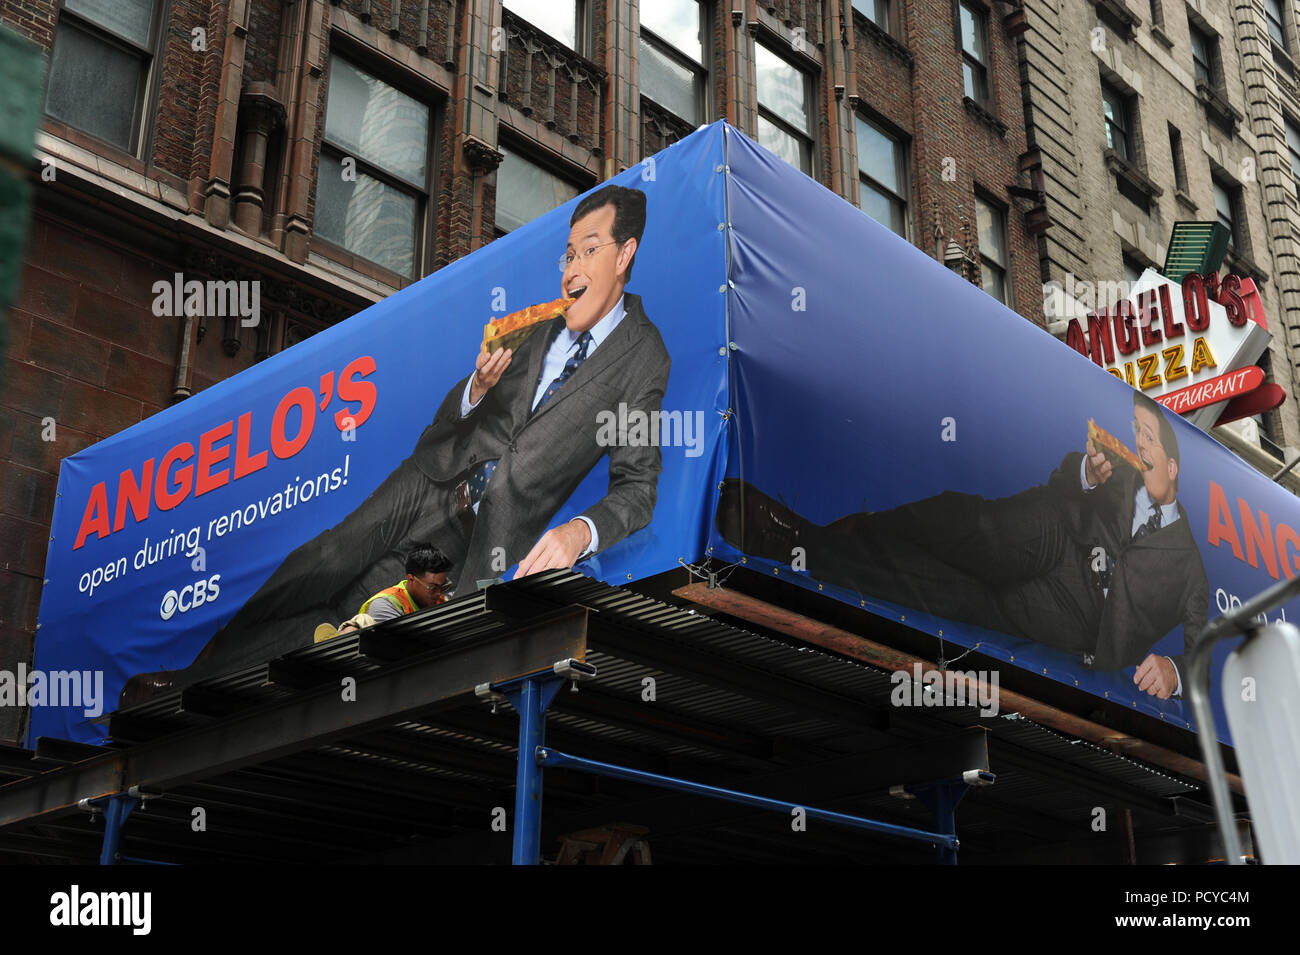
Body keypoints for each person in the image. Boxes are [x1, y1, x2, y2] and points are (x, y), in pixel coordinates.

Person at [121, 185, 671, 705]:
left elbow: (637, 488)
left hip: (477, 539)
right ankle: (200, 664)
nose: (572, 270)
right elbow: (457, 416)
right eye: (568, 255)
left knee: (346, 617)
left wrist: (580, 531)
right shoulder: (533, 325)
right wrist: (476, 389)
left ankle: (202, 691)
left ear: (625, 255)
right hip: (431, 479)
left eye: (588, 252)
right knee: (326, 558)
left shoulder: (644, 357)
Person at [716, 392, 1208, 700]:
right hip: (1054, 531)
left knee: (944, 594)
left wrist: (1173, 671)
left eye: (1151, 445)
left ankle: (799, 540)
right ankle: (868, 528)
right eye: (1140, 437)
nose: (1141, 449)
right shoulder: (1126, 474)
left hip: (1075, 613)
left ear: (1174, 469)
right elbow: (1063, 481)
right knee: (969, 523)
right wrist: (1085, 472)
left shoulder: (1188, 566)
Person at [318, 543, 454, 641]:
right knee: (364, 622)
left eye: (443, 586)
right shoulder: (384, 605)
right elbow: (409, 644)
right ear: (411, 579)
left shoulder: (440, 598)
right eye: (432, 587)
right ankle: (338, 641)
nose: (438, 593)